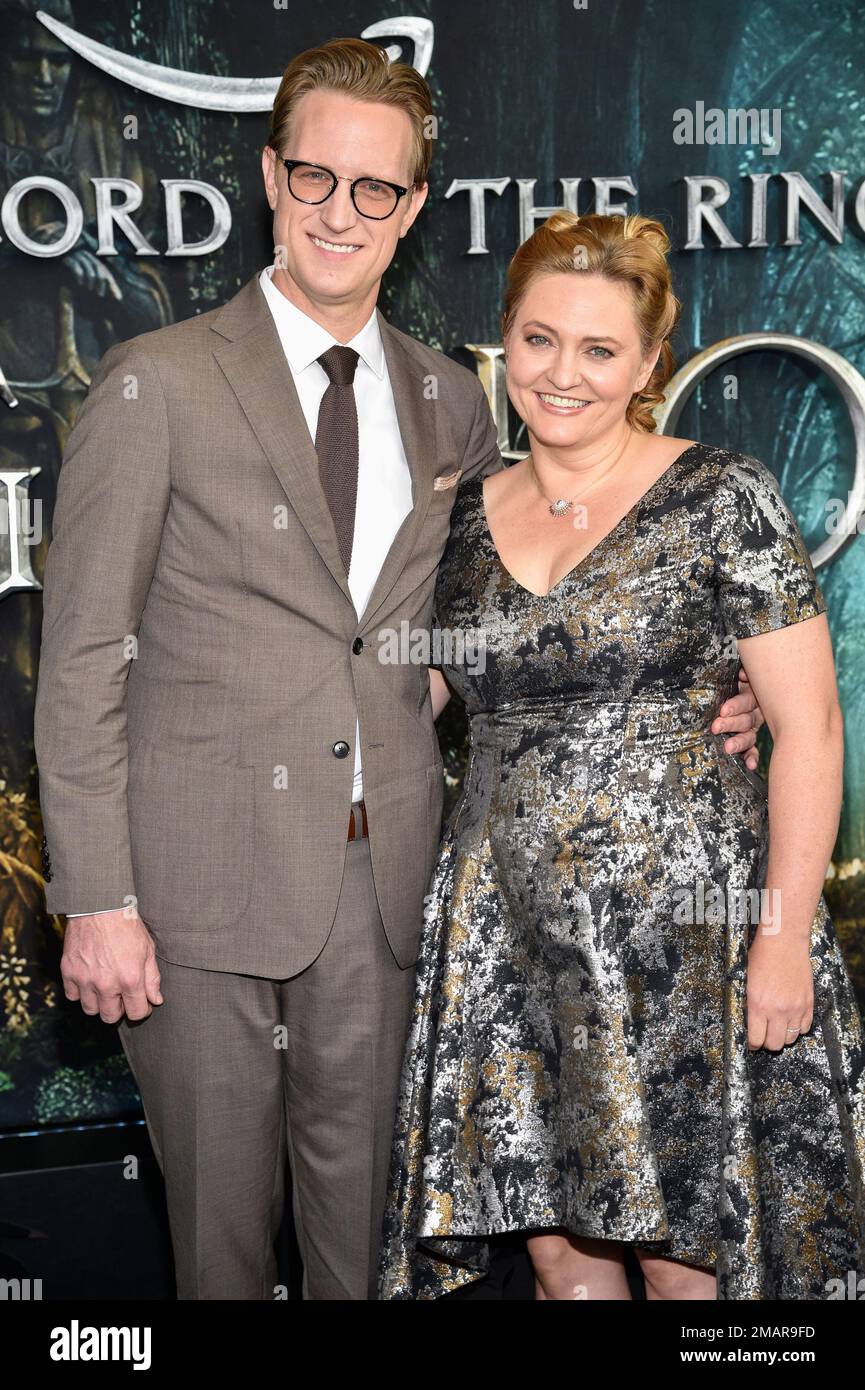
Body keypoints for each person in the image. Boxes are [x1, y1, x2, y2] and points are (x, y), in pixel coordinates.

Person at [32, 39, 763, 1302]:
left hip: (388, 890)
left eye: (376, 188)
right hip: (193, 899)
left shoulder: (453, 407)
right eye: (316, 175)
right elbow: (83, 655)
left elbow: (490, 634)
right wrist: (92, 896)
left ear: (413, 208)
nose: (341, 210)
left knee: (369, 1257)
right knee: (213, 1251)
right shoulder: (159, 384)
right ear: (270, 174)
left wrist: (696, 701)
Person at [378, 210, 865, 1302]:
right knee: (562, 1263)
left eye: (600, 350)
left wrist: (779, 941)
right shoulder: (458, 515)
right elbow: (407, 694)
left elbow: (811, 729)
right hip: (511, 937)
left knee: (687, 1261)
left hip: (687, 935)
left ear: (649, 363)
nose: (563, 374)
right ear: (506, 337)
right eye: (540, 339)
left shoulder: (721, 496)